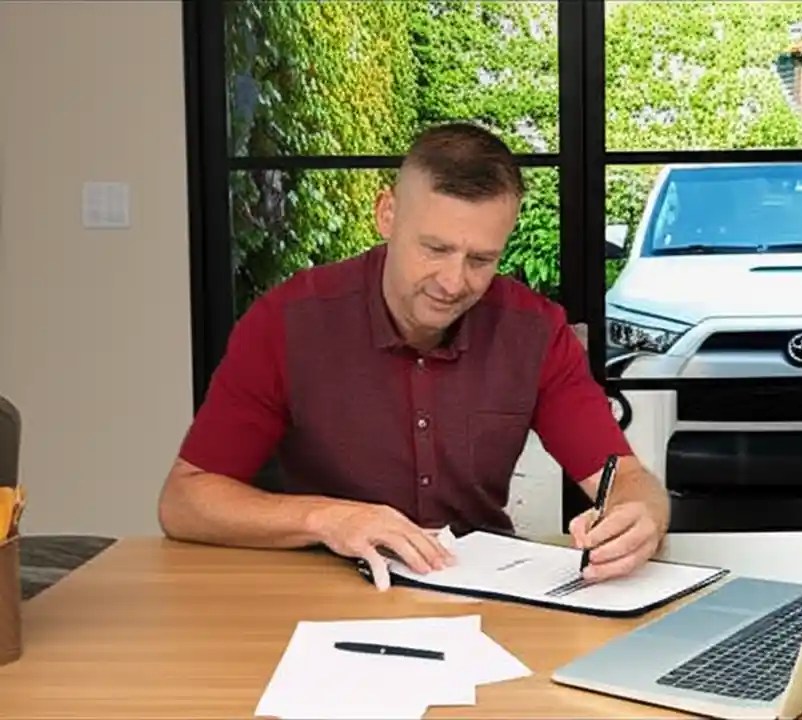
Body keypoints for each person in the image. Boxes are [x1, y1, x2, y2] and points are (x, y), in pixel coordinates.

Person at [158, 122, 670, 590]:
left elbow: (625, 479)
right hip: (320, 588)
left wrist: (641, 516)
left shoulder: (535, 331)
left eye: (480, 259)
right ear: (387, 214)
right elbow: (184, 501)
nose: (453, 282)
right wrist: (328, 518)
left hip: (484, 595)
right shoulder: (286, 322)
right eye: (434, 249)